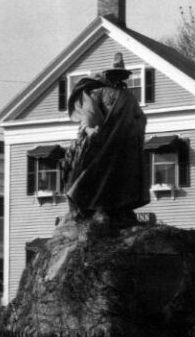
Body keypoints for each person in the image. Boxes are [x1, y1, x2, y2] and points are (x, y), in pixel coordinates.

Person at [62, 52, 149, 223]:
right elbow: (89, 112)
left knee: (122, 177)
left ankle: (118, 209)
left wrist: (134, 130)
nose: (117, 78)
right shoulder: (98, 92)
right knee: (96, 174)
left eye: (121, 75)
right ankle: (92, 208)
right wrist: (89, 129)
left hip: (125, 144)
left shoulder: (129, 96)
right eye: (114, 75)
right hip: (105, 142)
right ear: (108, 75)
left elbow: (140, 117)